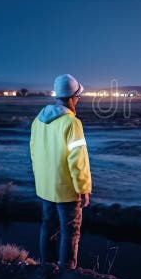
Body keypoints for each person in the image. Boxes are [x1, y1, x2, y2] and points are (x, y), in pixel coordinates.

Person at [30, 74, 92, 269]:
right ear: (73, 97)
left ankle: (46, 269)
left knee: (48, 226)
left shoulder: (38, 121)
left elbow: (34, 152)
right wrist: (83, 188)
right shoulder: (72, 123)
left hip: (46, 187)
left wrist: (41, 179)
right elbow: (78, 160)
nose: (78, 101)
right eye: (78, 97)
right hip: (66, 189)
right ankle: (66, 274)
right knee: (70, 231)